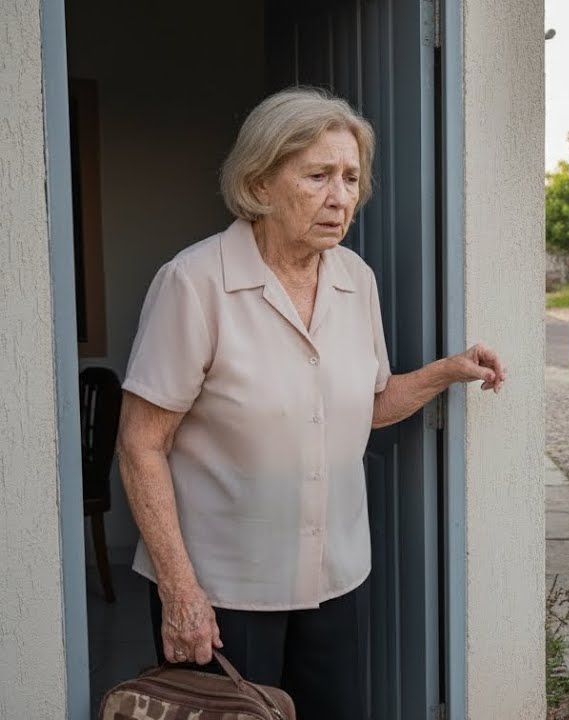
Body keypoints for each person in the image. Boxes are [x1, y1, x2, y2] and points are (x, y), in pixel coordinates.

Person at [115, 86, 506, 718]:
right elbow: (141, 441)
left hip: (331, 579)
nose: (342, 196)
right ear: (260, 183)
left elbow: (368, 405)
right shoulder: (195, 282)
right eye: (319, 175)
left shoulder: (356, 278)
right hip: (222, 593)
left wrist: (444, 372)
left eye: (352, 178)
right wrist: (181, 592)